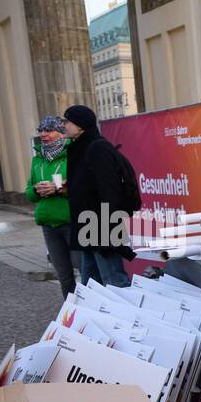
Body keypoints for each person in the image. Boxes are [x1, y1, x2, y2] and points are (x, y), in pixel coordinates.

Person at [63, 103, 134, 288]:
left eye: (68, 121)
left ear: (81, 125)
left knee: (115, 282)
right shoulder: (81, 147)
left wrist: (106, 230)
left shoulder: (97, 148)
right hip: (88, 226)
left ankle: (127, 316)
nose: (65, 125)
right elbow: (89, 184)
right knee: (90, 285)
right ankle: (89, 316)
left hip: (101, 226)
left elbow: (110, 191)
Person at [25, 116, 77, 297]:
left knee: (84, 271)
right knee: (64, 276)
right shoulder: (38, 159)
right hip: (48, 223)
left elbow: (83, 186)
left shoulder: (73, 154)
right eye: (41, 130)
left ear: (61, 133)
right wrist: (37, 190)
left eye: (49, 130)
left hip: (71, 221)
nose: (43, 134)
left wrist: (58, 188)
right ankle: (69, 312)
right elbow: (29, 193)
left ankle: (88, 310)